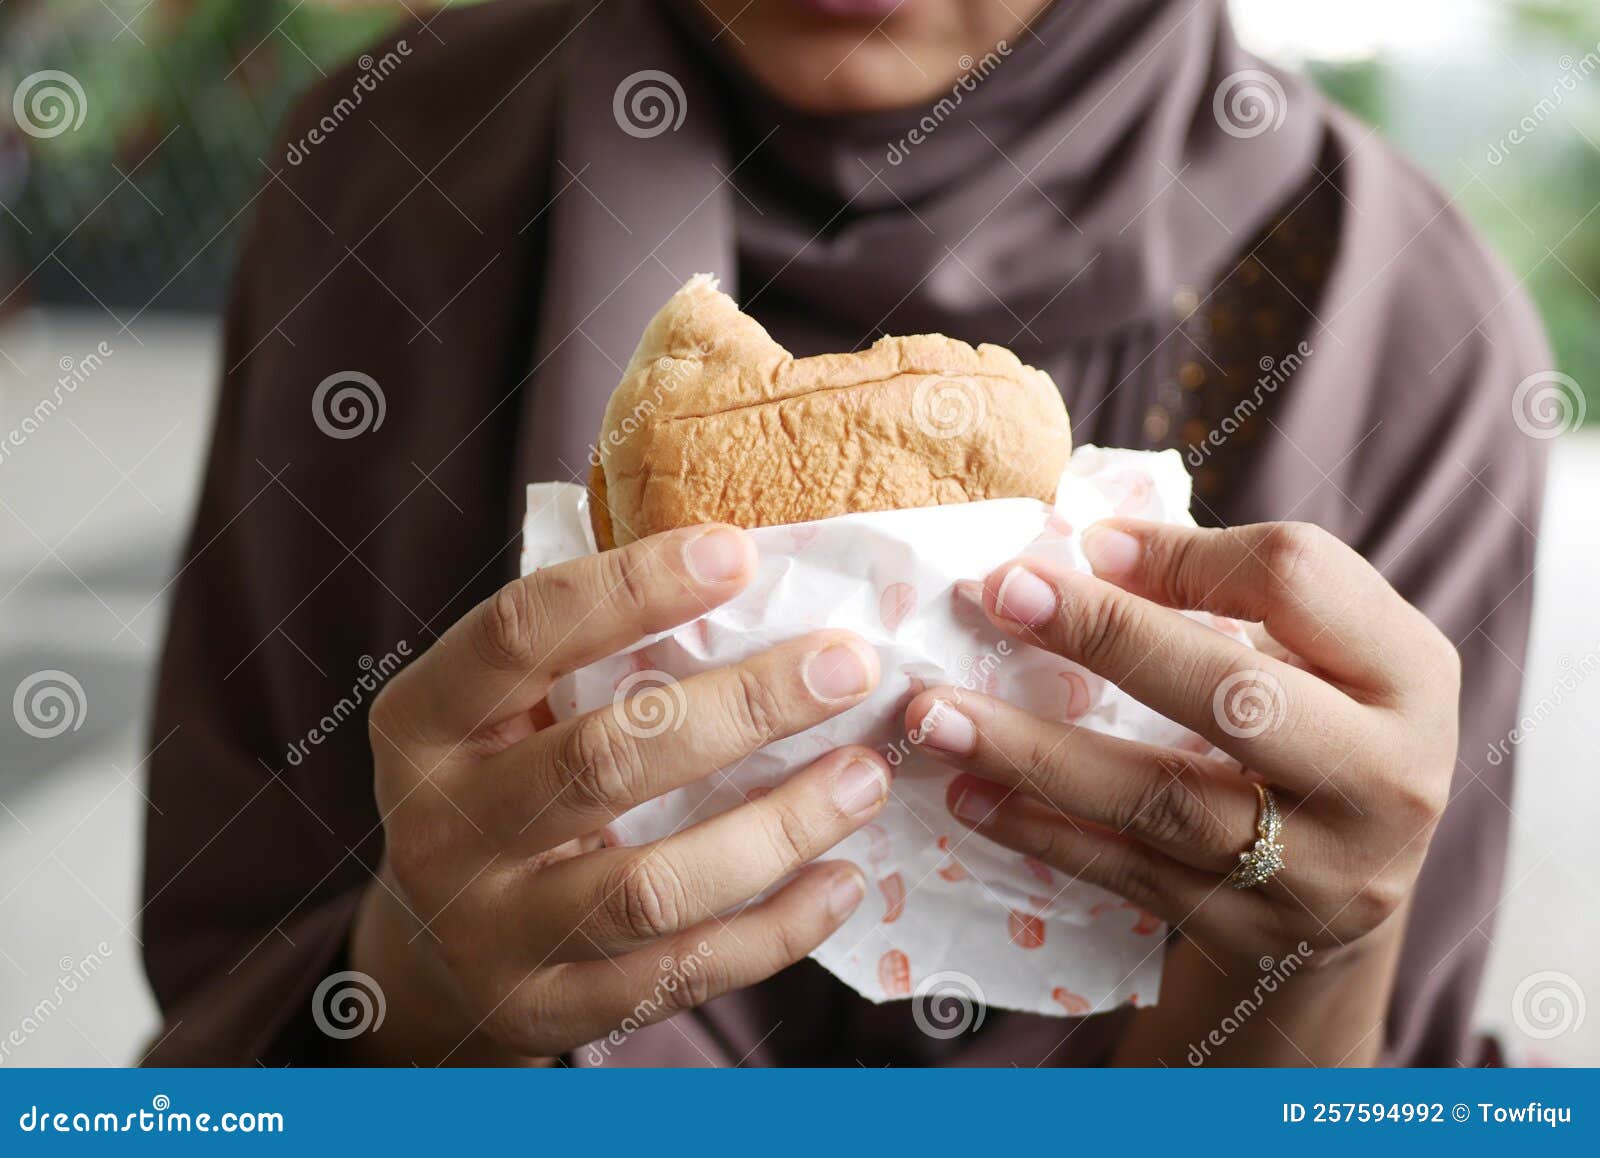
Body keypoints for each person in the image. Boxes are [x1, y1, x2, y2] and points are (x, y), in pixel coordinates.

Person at [141, 0, 1548, 1066]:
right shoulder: (385, 179)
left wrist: (1313, 968)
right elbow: (224, 1000)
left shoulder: (1402, 328)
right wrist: (410, 997)